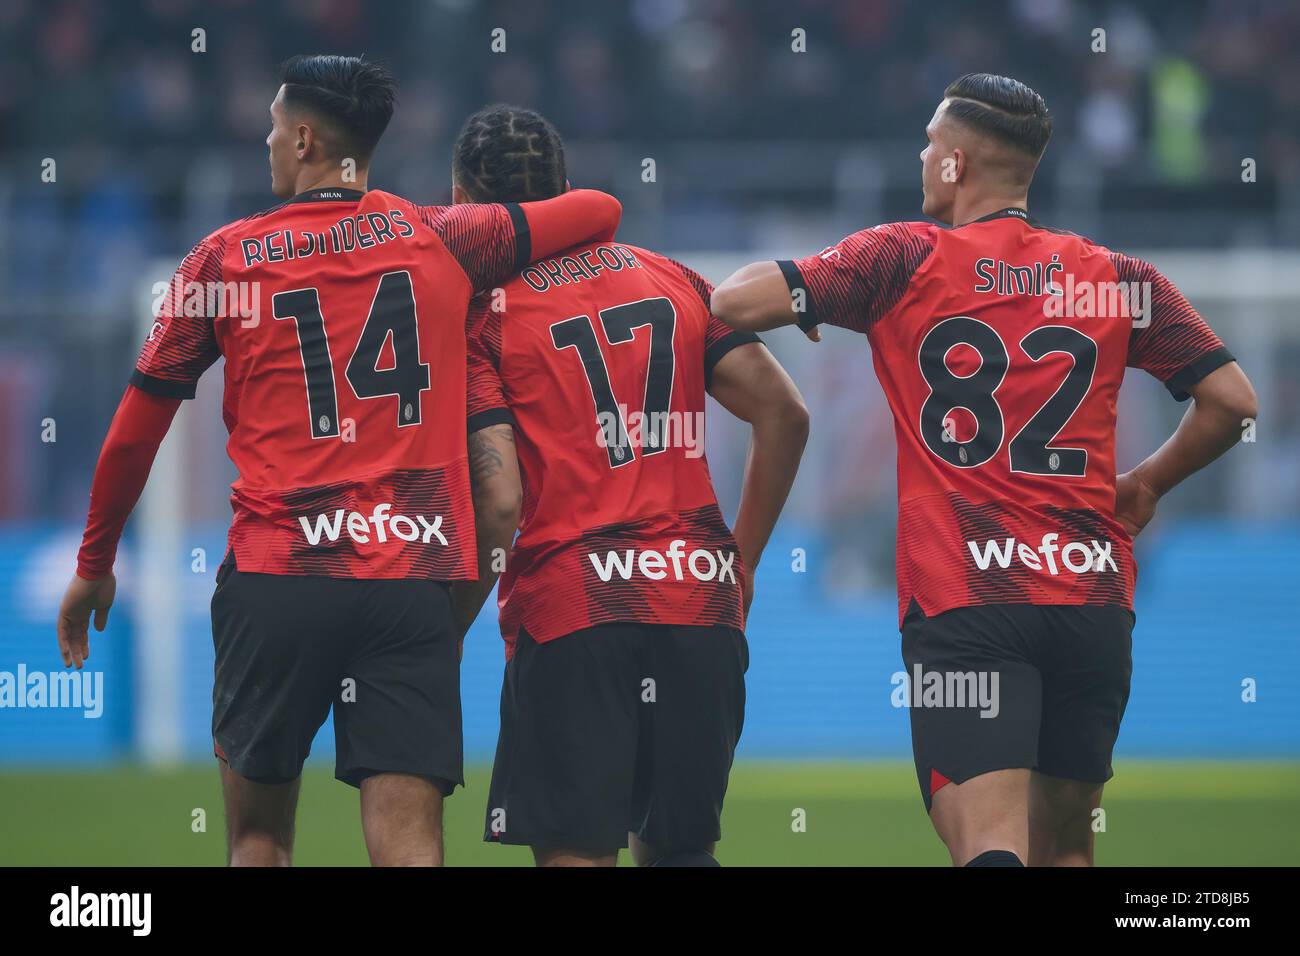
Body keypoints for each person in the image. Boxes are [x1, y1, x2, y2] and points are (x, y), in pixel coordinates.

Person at [56, 55, 622, 866]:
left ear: (308, 138)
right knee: (408, 849)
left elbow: (134, 429)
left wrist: (95, 560)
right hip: (407, 582)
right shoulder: (442, 236)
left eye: (275, 127)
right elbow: (600, 208)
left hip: (278, 578)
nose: (267, 140)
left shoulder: (223, 264)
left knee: (257, 840)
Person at [710, 73, 1258, 867]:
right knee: (1065, 847)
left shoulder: (901, 259)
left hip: (967, 600)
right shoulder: (1113, 276)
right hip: (1091, 596)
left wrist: (813, 301)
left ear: (957, 165)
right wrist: (1145, 485)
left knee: (989, 845)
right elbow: (1232, 401)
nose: (923, 154)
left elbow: (732, 301)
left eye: (931, 143)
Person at [448, 105, 809, 867]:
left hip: (577, 607)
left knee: (577, 853)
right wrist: (737, 562)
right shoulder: (668, 276)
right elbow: (784, 411)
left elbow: (500, 500)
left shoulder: (484, 316)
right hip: (697, 602)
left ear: (464, 206)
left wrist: (446, 624)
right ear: (567, 186)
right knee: (680, 854)